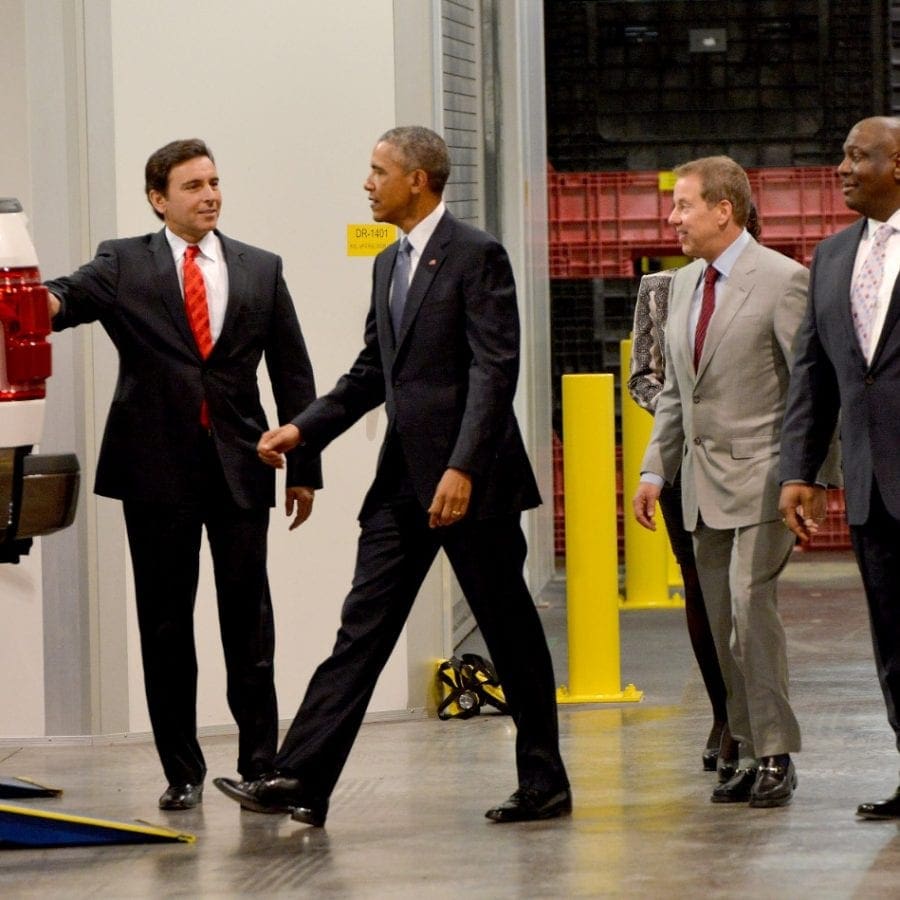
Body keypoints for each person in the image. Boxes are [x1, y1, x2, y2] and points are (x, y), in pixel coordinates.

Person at [214, 126, 570, 826]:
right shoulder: (388, 262)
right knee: (362, 630)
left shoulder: (477, 255)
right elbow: (374, 371)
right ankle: (301, 780)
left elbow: (493, 372)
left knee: (509, 632)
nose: (367, 184)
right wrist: (305, 427)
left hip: (473, 483)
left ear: (419, 179)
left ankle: (544, 782)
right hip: (403, 481)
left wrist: (463, 467)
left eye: (378, 171)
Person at [45, 138, 321, 811]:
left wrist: (304, 468)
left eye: (215, 182)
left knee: (248, 625)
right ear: (158, 198)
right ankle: (183, 773)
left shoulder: (260, 267)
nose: (210, 196)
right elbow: (66, 296)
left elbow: (293, 371)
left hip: (241, 468)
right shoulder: (123, 262)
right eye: (193, 186)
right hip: (155, 471)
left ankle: (260, 766)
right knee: (166, 626)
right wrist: (30, 299)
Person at [632, 156, 817, 809]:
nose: (672, 217)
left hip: (765, 478)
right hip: (700, 486)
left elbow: (810, 393)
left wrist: (808, 478)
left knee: (746, 610)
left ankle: (775, 752)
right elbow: (679, 394)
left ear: (723, 211)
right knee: (717, 621)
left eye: (683, 205)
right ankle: (740, 743)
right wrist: (656, 468)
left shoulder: (784, 281)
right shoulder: (680, 286)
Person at [779, 116, 900, 820]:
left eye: (859, 156)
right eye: (843, 154)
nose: (842, 167)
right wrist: (802, 471)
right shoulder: (830, 258)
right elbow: (814, 375)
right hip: (871, 486)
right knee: (893, 642)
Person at [626, 201, 763, 779]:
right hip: (686, 463)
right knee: (705, 596)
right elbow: (644, 376)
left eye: (685, 206)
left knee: (750, 598)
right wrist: (688, 418)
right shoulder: (660, 289)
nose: (674, 218)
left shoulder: (771, 280)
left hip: (752, 463)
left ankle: (760, 723)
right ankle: (724, 715)